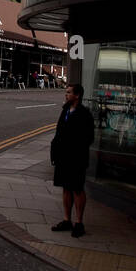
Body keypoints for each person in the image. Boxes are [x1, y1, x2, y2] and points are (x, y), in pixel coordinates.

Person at [50, 83, 95, 238]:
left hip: (76, 159)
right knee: (66, 188)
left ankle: (79, 223)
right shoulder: (65, 110)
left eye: (68, 92)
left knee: (77, 189)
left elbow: (89, 138)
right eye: (66, 92)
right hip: (63, 158)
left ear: (77, 95)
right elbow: (59, 132)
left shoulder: (84, 114)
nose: (66, 95)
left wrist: (75, 149)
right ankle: (67, 220)